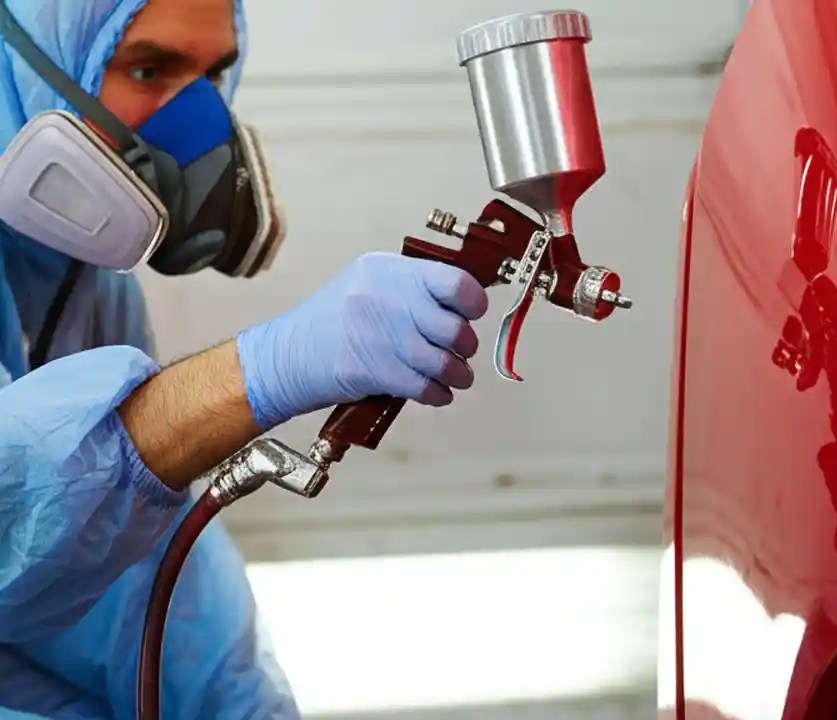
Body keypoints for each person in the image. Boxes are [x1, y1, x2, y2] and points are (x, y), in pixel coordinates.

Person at [0, 0, 488, 717]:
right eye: (148, 69)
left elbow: (119, 557)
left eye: (214, 75)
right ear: (25, 65)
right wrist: (264, 370)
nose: (201, 123)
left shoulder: (85, 284)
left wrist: (244, 705)